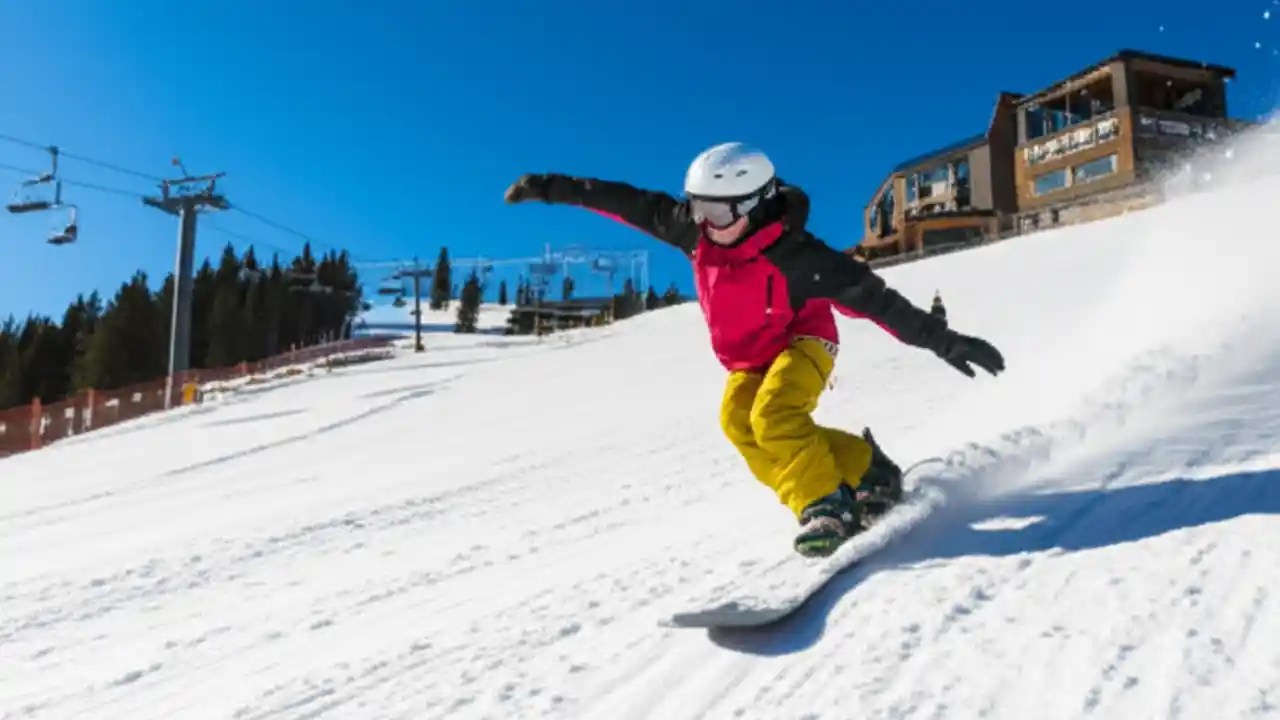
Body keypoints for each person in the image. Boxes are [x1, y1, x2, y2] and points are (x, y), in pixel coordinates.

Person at [504, 142, 1004, 557]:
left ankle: (827, 504)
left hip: (805, 341)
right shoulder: (693, 231)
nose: (703, 221)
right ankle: (865, 470)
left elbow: (877, 301)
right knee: (738, 422)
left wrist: (945, 341)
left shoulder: (798, 256)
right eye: (697, 206)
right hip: (749, 356)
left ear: (753, 202)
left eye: (716, 210)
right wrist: (549, 186)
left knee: (776, 415)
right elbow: (619, 199)